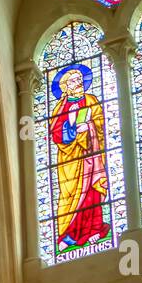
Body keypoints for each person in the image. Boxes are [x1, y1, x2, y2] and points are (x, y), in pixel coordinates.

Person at [49, 63, 110, 251]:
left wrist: (89, 126)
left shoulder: (91, 100)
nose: (79, 83)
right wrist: (72, 128)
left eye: (80, 79)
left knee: (92, 193)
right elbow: (56, 134)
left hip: (91, 154)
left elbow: (101, 125)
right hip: (70, 159)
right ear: (65, 86)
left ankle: (93, 230)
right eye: (74, 81)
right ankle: (70, 233)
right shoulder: (60, 108)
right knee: (71, 193)